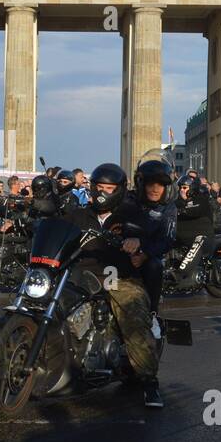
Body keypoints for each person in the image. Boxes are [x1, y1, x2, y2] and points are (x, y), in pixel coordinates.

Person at [67, 163, 163, 408]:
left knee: (133, 317)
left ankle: (149, 382)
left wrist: (135, 240)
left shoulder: (130, 214)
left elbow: (147, 235)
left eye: (109, 189)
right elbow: (58, 230)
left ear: (118, 190)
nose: (103, 193)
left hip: (116, 277)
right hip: (80, 277)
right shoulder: (77, 214)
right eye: (99, 188)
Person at [132, 159, 177, 312]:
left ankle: (152, 312)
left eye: (160, 185)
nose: (155, 189)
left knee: (154, 266)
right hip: (123, 252)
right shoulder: (129, 201)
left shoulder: (168, 208)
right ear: (141, 184)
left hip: (149, 255)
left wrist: (144, 254)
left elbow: (167, 239)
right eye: (151, 184)